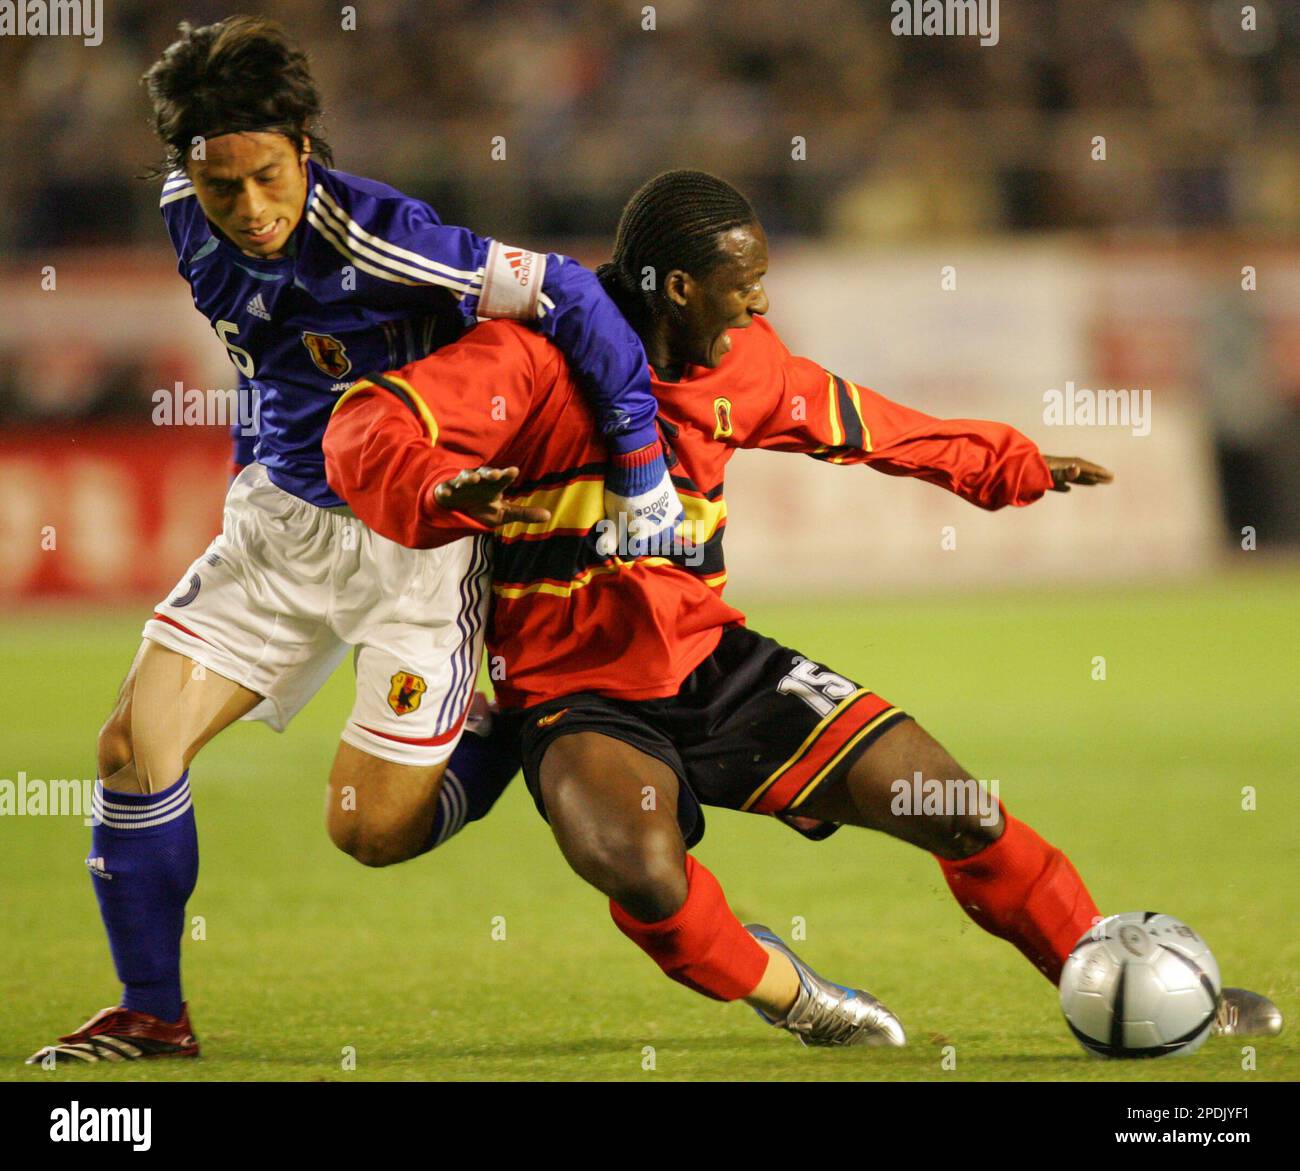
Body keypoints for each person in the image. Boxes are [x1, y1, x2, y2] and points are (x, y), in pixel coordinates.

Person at [325, 169, 1283, 1047]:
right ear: (676, 288)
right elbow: (368, 420)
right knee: (642, 873)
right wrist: (436, 486)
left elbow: (869, 424)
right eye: (743, 281)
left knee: (958, 809)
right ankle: (796, 995)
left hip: (714, 664)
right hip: (575, 693)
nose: (762, 300)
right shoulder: (527, 360)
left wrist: (1014, 463)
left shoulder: (745, 364)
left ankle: (1115, 972)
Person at [27, 16, 682, 1066]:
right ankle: (153, 1014)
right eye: (220, 186)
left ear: (304, 144)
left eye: (267, 177)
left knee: (369, 829)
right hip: (279, 533)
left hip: (410, 547)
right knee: (129, 749)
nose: (247, 209)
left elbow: (567, 291)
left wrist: (640, 469)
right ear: (184, 171)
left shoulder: (380, 234)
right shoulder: (179, 210)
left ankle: (503, 728)